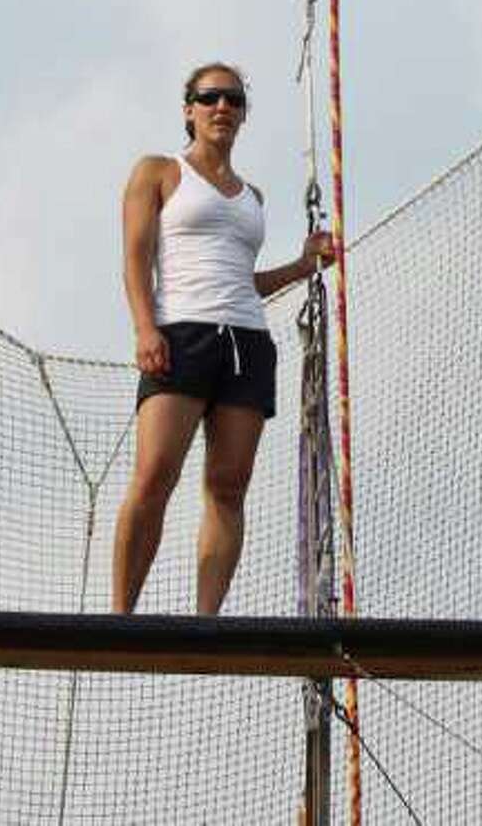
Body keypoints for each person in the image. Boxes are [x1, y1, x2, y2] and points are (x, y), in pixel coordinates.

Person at [111, 60, 334, 614]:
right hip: (181, 334)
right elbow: (136, 259)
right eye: (210, 97)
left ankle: (206, 621)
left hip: (247, 342)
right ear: (189, 109)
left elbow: (240, 282)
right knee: (155, 475)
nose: (222, 108)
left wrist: (302, 266)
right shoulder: (158, 172)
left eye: (233, 100)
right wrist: (145, 328)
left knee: (229, 486)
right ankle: (119, 616)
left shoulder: (251, 196)